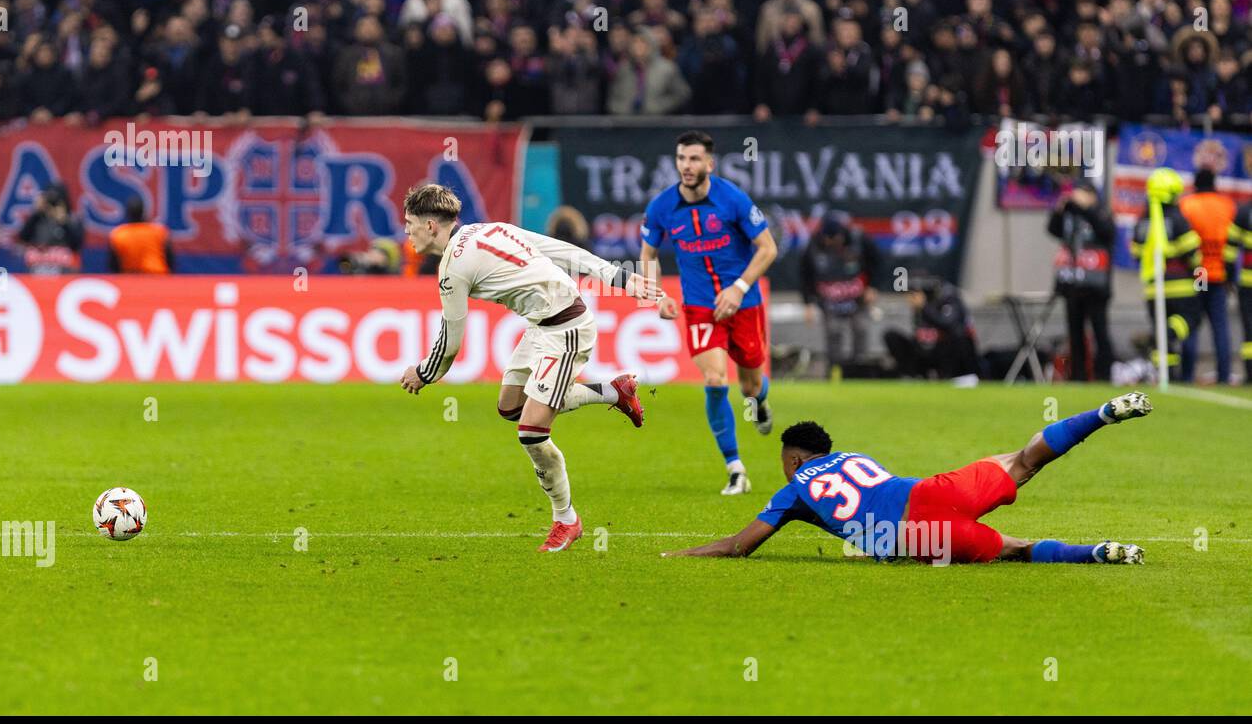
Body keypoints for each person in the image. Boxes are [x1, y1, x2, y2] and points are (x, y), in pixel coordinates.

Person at [399, 184, 663, 553]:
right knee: (510, 407)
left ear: (430, 225)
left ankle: (566, 520)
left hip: (566, 329)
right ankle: (613, 391)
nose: (405, 231)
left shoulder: (451, 270)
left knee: (531, 432)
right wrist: (618, 277)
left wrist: (423, 373)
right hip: (543, 326)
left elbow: (450, 341)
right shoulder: (489, 228)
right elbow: (562, 251)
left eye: (409, 223)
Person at [663, 392, 1154, 565]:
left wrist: (679, 552)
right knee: (1023, 460)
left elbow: (738, 547)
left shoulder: (794, 489)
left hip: (916, 536)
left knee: (1015, 550)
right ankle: (1103, 413)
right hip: (931, 489)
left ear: (793, 461)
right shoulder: (853, 456)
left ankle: (1094, 552)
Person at [640, 130, 779, 496]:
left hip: (744, 305)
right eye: (682, 158)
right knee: (716, 380)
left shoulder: (733, 199)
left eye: (695, 159)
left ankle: (760, 399)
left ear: (709, 164)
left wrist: (739, 288)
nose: (687, 166)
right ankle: (735, 468)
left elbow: (767, 249)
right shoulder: (661, 207)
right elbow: (648, 255)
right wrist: (656, 296)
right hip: (700, 307)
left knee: (749, 384)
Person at [1129, 168, 1203, 375]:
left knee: (1161, 335)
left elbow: (1136, 255)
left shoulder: (1142, 222)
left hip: (1154, 288)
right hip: (1182, 287)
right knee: (1192, 318)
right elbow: (1193, 255)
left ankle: (1167, 374)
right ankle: (1166, 334)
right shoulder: (1178, 218)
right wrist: (1202, 284)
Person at [1047, 180, 1115, 381]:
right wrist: (1060, 210)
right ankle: (1078, 376)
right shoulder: (1070, 215)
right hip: (1073, 283)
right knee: (1075, 334)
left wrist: (1088, 209)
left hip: (1096, 285)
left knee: (1100, 331)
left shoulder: (1101, 212)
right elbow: (1053, 230)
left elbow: (1107, 232)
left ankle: (1105, 376)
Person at [799, 214, 879, 376]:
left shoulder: (858, 239)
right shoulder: (813, 245)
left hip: (857, 299)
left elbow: (877, 261)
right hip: (830, 301)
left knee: (861, 328)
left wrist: (873, 287)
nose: (830, 243)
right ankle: (835, 371)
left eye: (833, 239)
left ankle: (859, 370)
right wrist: (807, 303)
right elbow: (804, 275)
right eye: (827, 239)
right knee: (834, 332)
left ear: (841, 235)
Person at [1179, 168, 1236, 383]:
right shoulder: (1226, 205)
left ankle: (1187, 374)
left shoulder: (1188, 205)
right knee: (1220, 327)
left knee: (1192, 324)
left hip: (1198, 273)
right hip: (1219, 273)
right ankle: (1224, 375)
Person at [883, 274, 980, 383]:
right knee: (891, 336)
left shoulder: (949, 298)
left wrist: (924, 307)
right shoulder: (920, 308)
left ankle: (958, 376)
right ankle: (914, 375)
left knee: (960, 339)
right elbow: (920, 335)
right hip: (927, 351)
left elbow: (948, 324)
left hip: (947, 351)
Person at [17, 182, 84, 273]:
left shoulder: (72, 219)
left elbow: (77, 245)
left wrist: (64, 222)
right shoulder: (38, 218)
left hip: (65, 272)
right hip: (38, 270)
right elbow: (23, 237)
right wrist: (36, 212)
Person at [109, 196, 173, 273]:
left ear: (128, 213)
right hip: (158, 277)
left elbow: (113, 265)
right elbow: (170, 259)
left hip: (130, 279)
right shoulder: (159, 231)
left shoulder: (119, 234)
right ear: (143, 212)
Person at [1229, 201, 1252, 383]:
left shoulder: (1245, 211)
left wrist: (1228, 277)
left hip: (1247, 282)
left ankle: (1250, 374)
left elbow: (1230, 246)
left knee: (1249, 330)